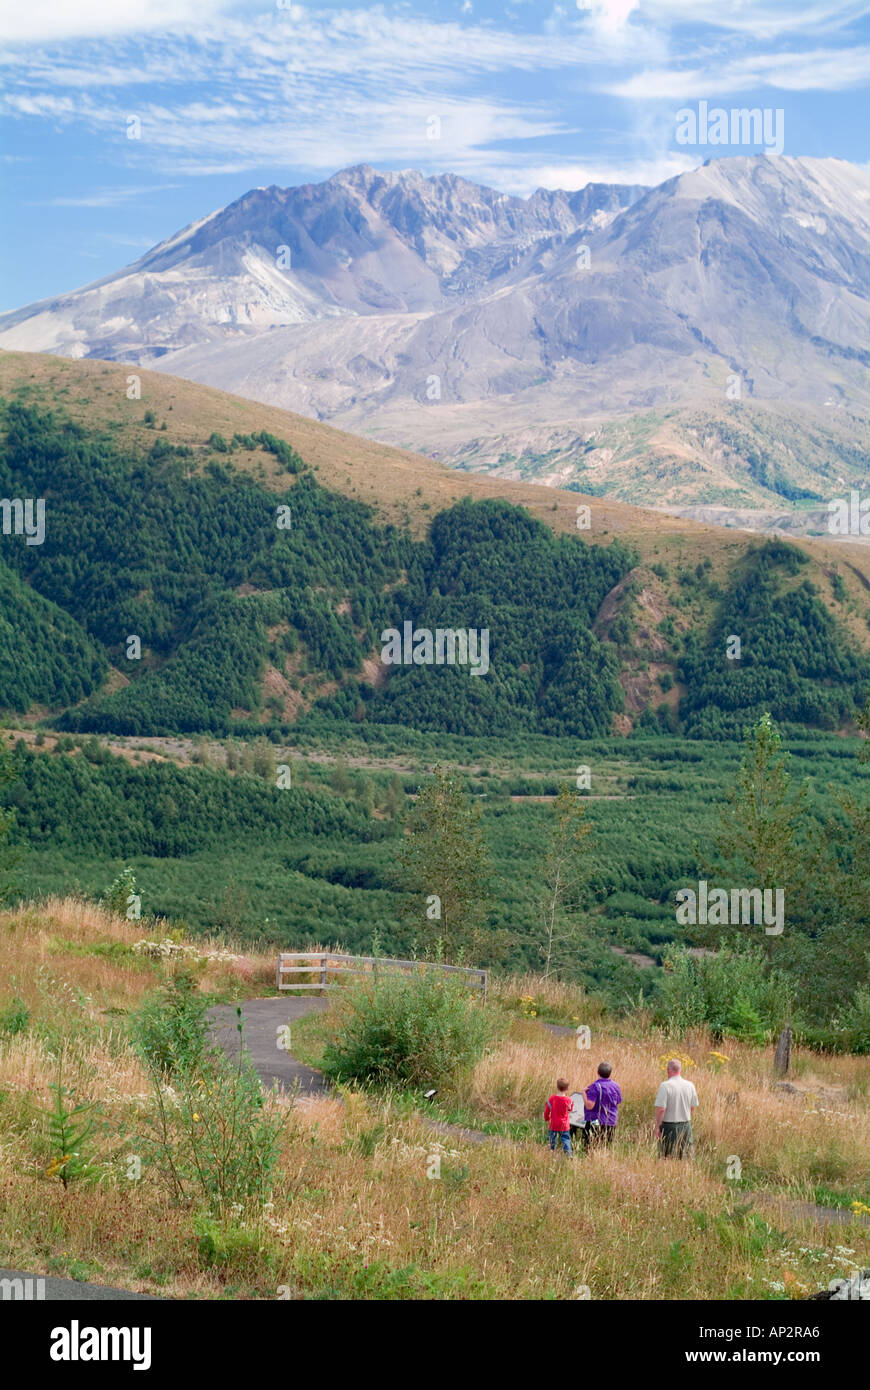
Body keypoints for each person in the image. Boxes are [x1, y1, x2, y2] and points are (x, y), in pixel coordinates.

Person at [655, 1058, 698, 1158]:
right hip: (686, 1126)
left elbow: (661, 1109)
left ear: (668, 1070)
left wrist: (657, 1126)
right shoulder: (690, 1085)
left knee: (666, 1156)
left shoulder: (665, 1086)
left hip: (669, 1126)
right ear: (680, 1070)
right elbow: (692, 1107)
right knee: (685, 1156)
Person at [581, 1062, 622, 1148]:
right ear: (610, 1073)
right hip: (611, 1121)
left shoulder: (595, 1086)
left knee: (590, 1147)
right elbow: (618, 1101)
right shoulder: (616, 1086)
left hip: (595, 1121)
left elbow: (589, 1106)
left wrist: (583, 1093)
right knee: (605, 1147)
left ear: (597, 1072)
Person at [544, 1076, 573, 1154]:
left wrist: (546, 1118)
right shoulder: (569, 1100)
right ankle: (568, 1154)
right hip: (564, 1125)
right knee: (566, 1140)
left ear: (557, 1087)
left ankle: (550, 1152)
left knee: (551, 1139)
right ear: (567, 1089)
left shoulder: (552, 1099)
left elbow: (547, 1110)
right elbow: (570, 1110)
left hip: (553, 1124)